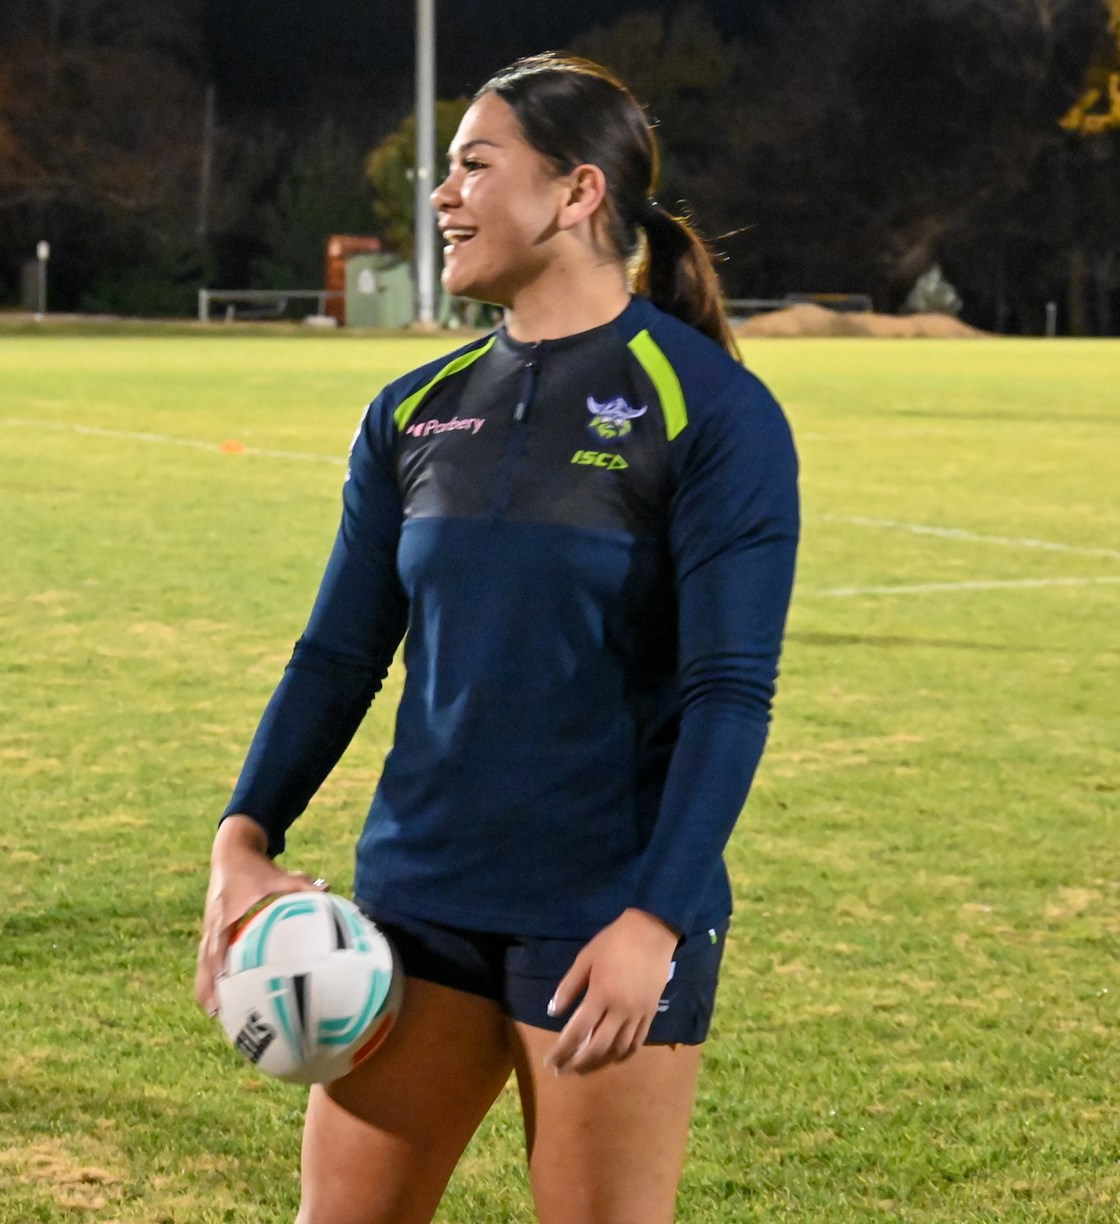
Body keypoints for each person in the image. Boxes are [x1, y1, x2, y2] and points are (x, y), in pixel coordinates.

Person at [196, 52, 799, 1224]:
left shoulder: (709, 411)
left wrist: (654, 923)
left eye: (475, 165)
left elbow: (730, 690)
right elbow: (338, 652)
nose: (444, 196)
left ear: (577, 194)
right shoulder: (415, 410)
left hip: (604, 916)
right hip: (419, 906)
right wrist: (244, 832)